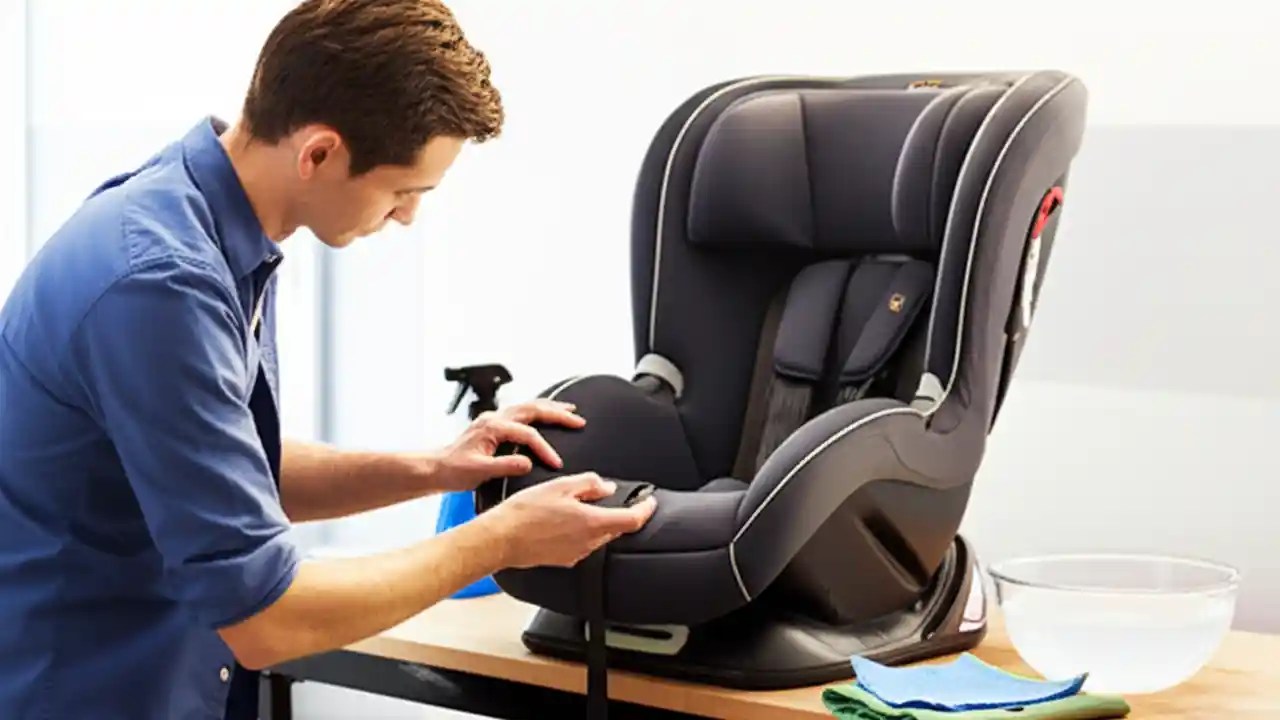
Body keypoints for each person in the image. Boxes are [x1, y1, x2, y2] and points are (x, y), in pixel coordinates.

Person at [0, 1, 657, 718]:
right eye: (405, 190)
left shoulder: (206, 226)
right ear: (318, 153)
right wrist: (499, 542)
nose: (407, 216)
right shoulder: (160, 281)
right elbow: (264, 617)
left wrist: (437, 468)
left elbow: (234, 473)